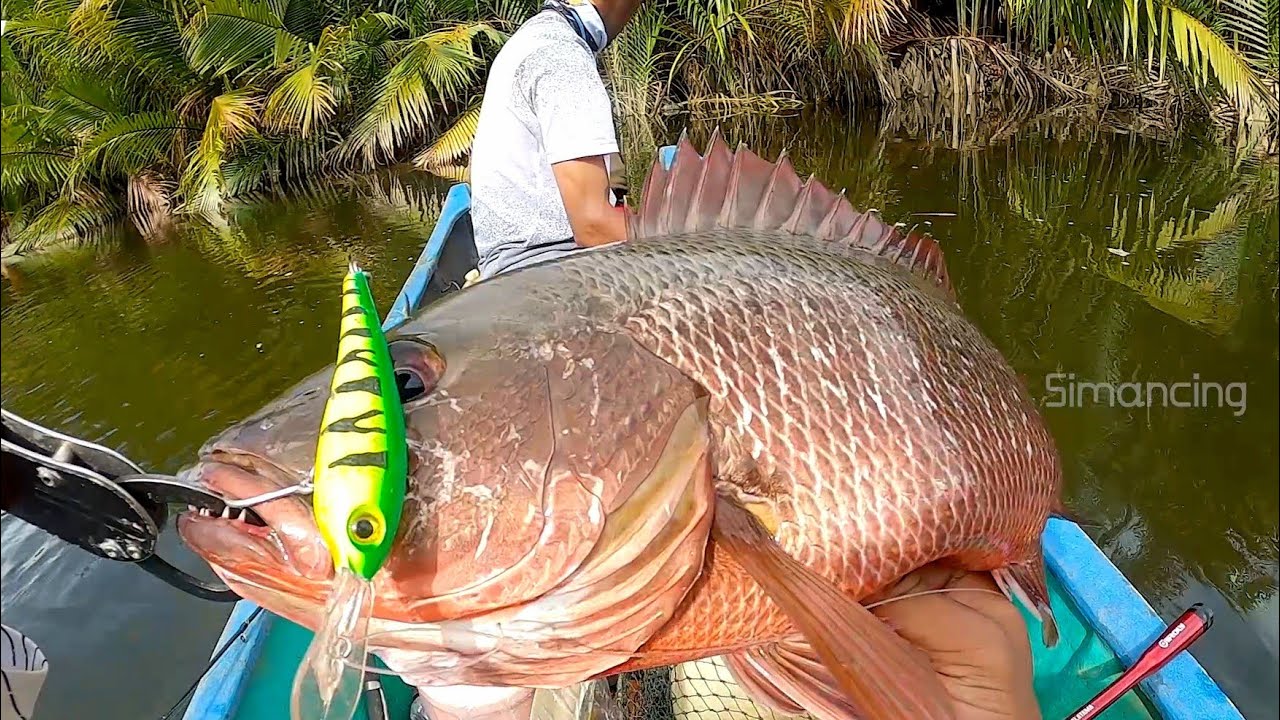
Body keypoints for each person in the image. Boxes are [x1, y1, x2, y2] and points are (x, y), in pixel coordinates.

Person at [467, 0, 637, 281]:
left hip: (512, 267)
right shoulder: (562, 55)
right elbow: (593, 226)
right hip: (549, 270)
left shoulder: (535, 38)